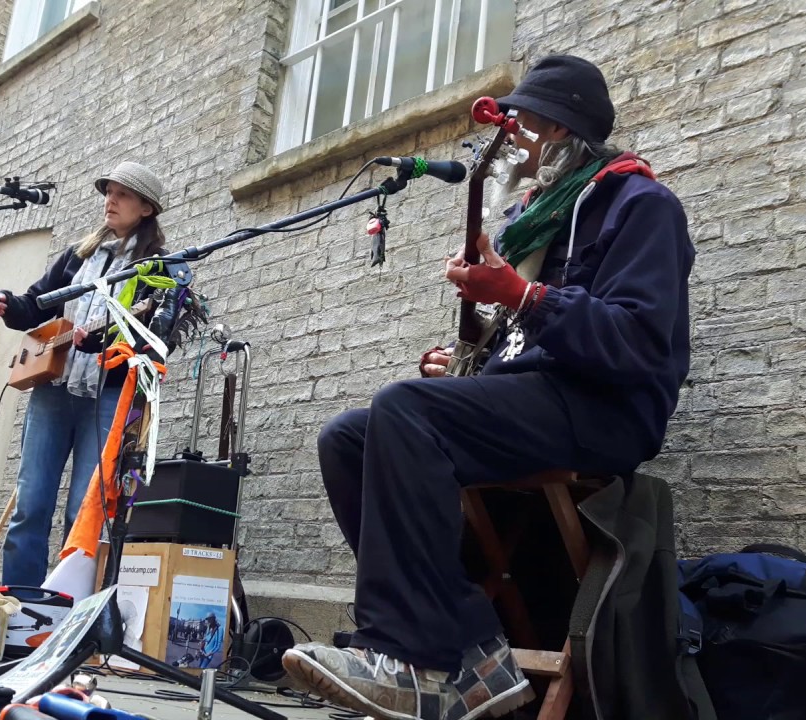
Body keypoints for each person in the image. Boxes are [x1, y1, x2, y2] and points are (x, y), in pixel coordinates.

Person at [281, 55, 695, 720]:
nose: (507, 143)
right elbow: (518, 344)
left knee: (404, 411)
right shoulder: (534, 218)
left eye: (521, 124)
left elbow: (638, 345)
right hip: (536, 399)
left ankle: (411, 659)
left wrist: (525, 296)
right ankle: (473, 648)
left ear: (557, 131)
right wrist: (463, 363)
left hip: (604, 409)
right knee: (348, 438)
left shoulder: (640, 204)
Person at [0, 161, 170, 596]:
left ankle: (67, 613)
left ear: (146, 208)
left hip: (106, 397)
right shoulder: (78, 255)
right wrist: (6, 304)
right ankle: (20, 605)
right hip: (53, 391)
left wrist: (99, 343)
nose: (111, 200)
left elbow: (151, 335)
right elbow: (36, 304)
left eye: (122, 194)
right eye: (109, 191)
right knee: (30, 505)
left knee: (83, 514)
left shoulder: (155, 267)